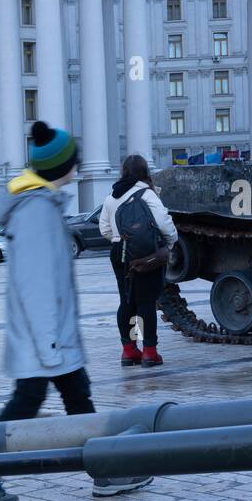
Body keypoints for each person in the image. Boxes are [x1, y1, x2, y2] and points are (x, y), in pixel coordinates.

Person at [0, 122, 153, 501]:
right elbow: (36, 287)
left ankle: (106, 472)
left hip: (50, 339)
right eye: (74, 160)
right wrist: (50, 346)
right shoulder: (35, 212)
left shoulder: (41, 204)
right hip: (44, 340)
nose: (78, 165)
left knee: (76, 400)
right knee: (30, 406)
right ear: (60, 165)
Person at [99, 155, 178, 367]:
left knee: (127, 301)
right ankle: (150, 352)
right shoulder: (146, 193)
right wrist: (170, 243)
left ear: (124, 171)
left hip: (119, 251)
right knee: (145, 303)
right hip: (144, 252)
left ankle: (129, 350)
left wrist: (121, 240)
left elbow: (104, 229)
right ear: (144, 171)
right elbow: (164, 222)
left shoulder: (111, 197)